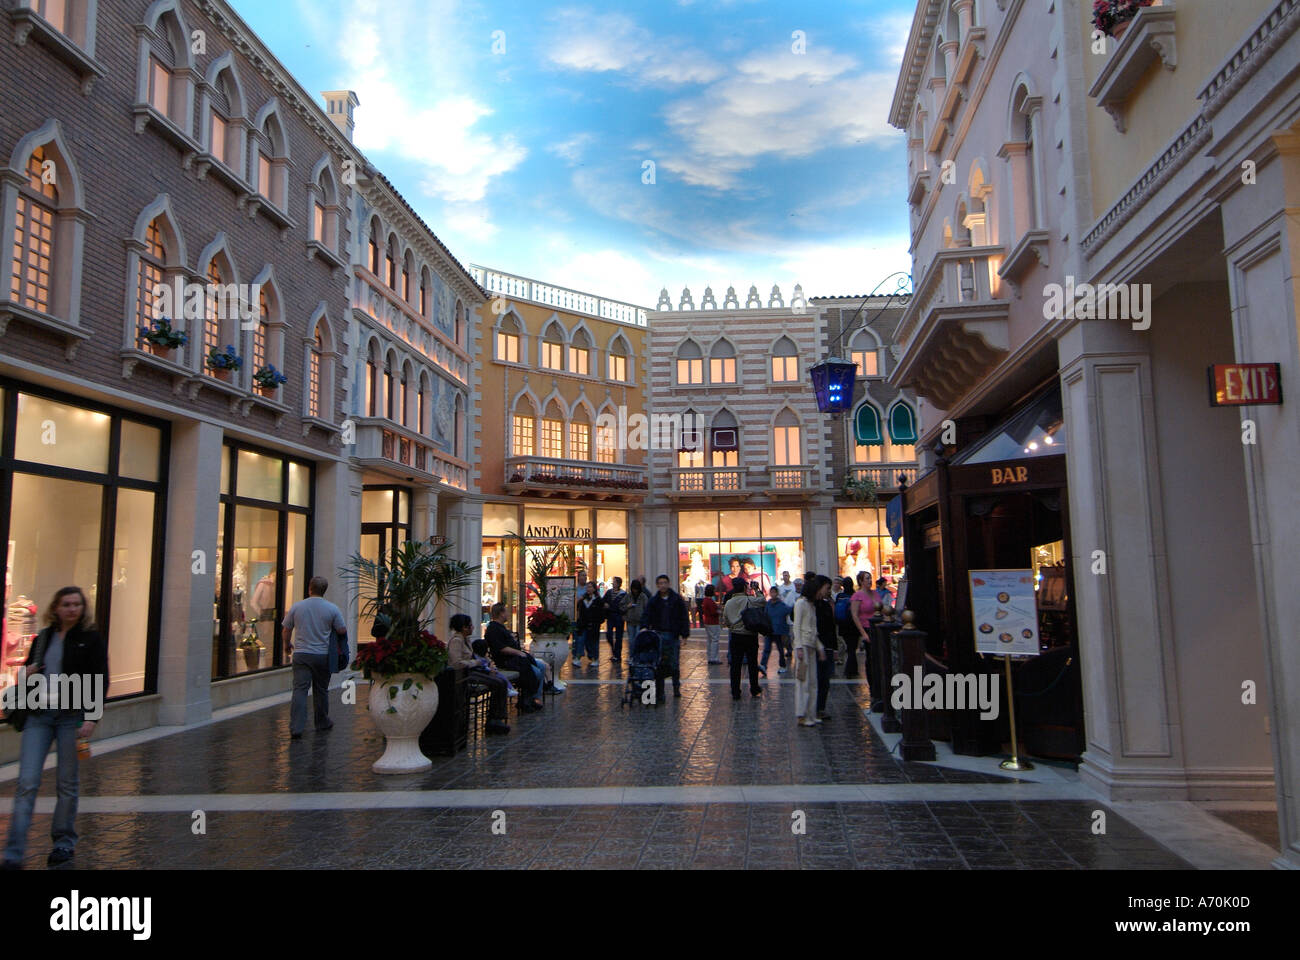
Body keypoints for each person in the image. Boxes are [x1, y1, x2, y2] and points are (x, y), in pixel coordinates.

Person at [2, 587, 106, 869]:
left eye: (77, 605)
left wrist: (91, 718)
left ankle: (63, 844)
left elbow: (99, 678)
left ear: (82, 609)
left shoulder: (90, 639)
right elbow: (26, 669)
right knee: (27, 783)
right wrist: (27, 673)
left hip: (71, 718)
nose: (72, 609)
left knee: (67, 783)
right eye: (66, 604)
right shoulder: (45, 637)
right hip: (39, 715)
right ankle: (14, 853)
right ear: (56, 608)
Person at [282, 576, 348, 740]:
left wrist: (286, 644)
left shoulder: (297, 606)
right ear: (324, 590)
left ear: (309, 588)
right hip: (322, 655)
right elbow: (341, 630)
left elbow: (286, 629)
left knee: (300, 690)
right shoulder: (332, 609)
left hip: (302, 654)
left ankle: (296, 726)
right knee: (321, 690)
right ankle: (321, 721)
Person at [448, 614, 510, 735]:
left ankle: (496, 718)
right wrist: (475, 662)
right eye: (470, 625)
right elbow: (456, 663)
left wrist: (486, 664)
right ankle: (494, 720)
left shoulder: (466, 640)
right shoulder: (456, 641)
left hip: (472, 670)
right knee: (497, 683)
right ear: (464, 627)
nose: (472, 627)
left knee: (500, 682)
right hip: (464, 674)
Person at [485, 603, 548, 712]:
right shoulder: (493, 629)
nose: (508, 614)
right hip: (508, 660)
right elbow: (500, 648)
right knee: (536, 672)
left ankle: (534, 697)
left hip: (516, 657)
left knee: (542, 666)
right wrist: (518, 653)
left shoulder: (501, 628)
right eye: (506, 612)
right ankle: (527, 698)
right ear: (501, 613)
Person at [643, 574, 690, 700]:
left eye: (665, 583)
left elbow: (683, 617)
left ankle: (676, 687)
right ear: (657, 585)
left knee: (674, 663)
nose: (663, 585)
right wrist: (645, 627)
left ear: (668, 584)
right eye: (660, 583)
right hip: (658, 634)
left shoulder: (676, 599)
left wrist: (684, 635)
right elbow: (647, 615)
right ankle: (660, 691)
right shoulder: (654, 601)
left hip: (672, 634)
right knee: (659, 664)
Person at [792, 577, 828, 727]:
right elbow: (797, 626)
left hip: (811, 645)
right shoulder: (800, 604)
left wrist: (819, 647)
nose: (825, 592)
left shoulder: (811, 605)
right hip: (804, 647)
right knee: (803, 682)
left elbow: (813, 629)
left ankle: (811, 714)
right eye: (824, 589)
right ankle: (802, 714)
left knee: (813, 682)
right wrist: (799, 647)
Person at [723, 579, 764, 700]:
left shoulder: (729, 603)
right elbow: (762, 601)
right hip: (750, 635)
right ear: (744, 588)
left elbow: (725, 619)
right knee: (752, 663)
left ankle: (735, 691)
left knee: (735, 665)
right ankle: (754, 688)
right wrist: (756, 590)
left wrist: (733, 627)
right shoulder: (749, 600)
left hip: (736, 635)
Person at [848, 571, 880, 682]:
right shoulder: (857, 596)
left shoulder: (875, 593)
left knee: (878, 656)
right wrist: (863, 633)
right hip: (867, 627)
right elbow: (855, 615)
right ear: (861, 581)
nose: (870, 580)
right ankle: (872, 684)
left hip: (878, 626)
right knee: (871, 657)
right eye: (867, 578)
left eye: (870, 578)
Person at [815, 576, 839, 721]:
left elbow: (831, 627)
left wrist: (834, 649)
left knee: (825, 680)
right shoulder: (810, 605)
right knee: (817, 679)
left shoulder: (826, 605)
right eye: (827, 588)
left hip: (827, 647)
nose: (829, 591)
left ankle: (821, 708)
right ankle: (815, 708)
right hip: (816, 647)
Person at [761, 586, 793, 676]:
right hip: (769, 630)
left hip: (779, 631)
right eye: (771, 592)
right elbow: (765, 615)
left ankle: (782, 665)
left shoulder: (782, 605)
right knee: (767, 648)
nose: (773, 594)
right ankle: (763, 665)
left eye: (774, 592)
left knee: (780, 649)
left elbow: (789, 611)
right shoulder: (768, 604)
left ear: (777, 593)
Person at [574, 581, 606, 668]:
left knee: (593, 642)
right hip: (583, 624)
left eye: (590, 587)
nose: (588, 589)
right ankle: (578, 657)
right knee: (581, 641)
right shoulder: (583, 599)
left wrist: (598, 622)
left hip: (594, 625)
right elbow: (577, 608)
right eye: (587, 587)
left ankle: (594, 658)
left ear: (594, 589)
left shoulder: (598, 600)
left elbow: (602, 614)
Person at [602, 577, 628, 662]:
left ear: (618, 583)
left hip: (618, 616)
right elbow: (603, 600)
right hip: (610, 616)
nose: (613, 584)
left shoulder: (623, 594)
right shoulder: (609, 592)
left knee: (619, 636)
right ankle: (613, 650)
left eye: (615, 582)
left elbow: (624, 605)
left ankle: (617, 655)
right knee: (609, 634)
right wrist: (605, 604)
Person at [700, 583, 722, 664]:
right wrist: (719, 611)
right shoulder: (710, 601)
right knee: (714, 640)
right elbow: (714, 612)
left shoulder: (705, 600)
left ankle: (710, 657)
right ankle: (714, 658)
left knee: (710, 640)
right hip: (713, 622)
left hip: (707, 622)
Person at [624, 579, 648, 645]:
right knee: (631, 640)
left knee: (638, 639)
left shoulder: (643, 596)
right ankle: (632, 654)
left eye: (636, 589)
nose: (635, 591)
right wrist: (627, 606)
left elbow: (647, 608)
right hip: (630, 621)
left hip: (639, 621)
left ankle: (637, 654)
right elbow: (621, 606)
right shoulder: (628, 596)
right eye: (634, 589)